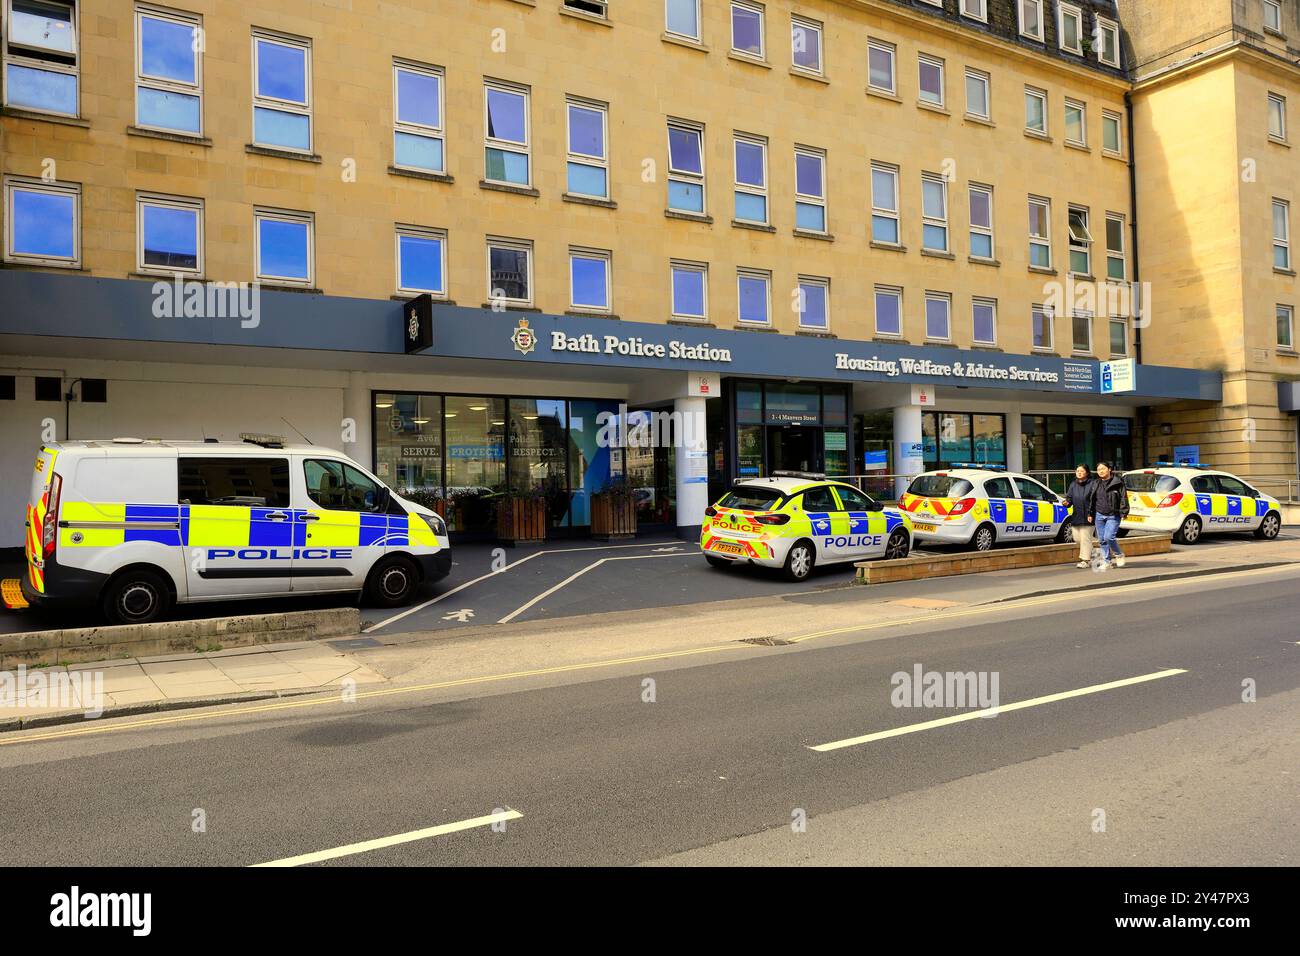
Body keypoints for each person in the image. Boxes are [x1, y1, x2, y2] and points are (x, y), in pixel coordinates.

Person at [1090, 461, 1129, 569]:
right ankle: (1107, 561)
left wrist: (1124, 511)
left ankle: (1118, 554)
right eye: (1098, 470)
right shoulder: (1096, 483)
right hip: (1099, 514)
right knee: (1102, 539)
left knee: (1109, 537)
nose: (1101, 471)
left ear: (1109, 469)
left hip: (1113, 514)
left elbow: (1123, 498)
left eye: (1103, 468)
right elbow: (1092, 499)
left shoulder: (1117, 482)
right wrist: (1090, 513)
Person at [1064, 464, 1096, 568]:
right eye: (1077, 471)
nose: (1079, 472)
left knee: (1085, 539)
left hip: (1089, 516)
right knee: (1077, 538)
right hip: (1076, 515)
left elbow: (1095, 500)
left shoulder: (1093, 484)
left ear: (1087, 473)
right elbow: (1069, 498)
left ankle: (1085, 561)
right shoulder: (1073, 484)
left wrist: (1091, 513)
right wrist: (1066, 502)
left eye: (1082, 471)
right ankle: (1095, 552)